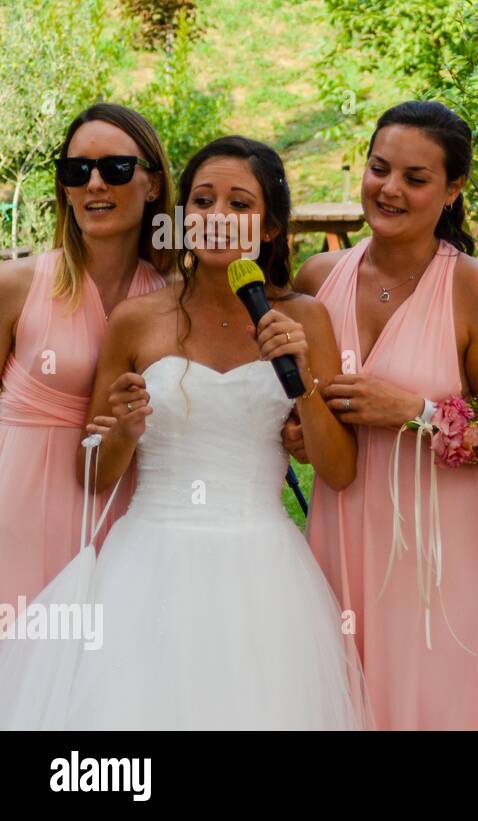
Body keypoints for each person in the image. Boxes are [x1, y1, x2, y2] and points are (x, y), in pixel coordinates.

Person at [0, 136, 367, 729]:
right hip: (147, 559)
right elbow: (91, 476)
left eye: (240, 205)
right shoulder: (138, 320)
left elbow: (340, 470)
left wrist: (302, 385)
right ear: (181, 218)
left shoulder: (304, 317)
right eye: (203, 200)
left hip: (263, 568)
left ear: (270, 227)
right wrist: (121, 430)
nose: (217, 218)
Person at [289, 101, 478, 730]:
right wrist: (297, 430)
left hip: (439, 552)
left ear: (453, 189)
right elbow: (294, 406)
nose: (389, 189)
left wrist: (416, 411)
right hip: (339, 533)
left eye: (415, 179)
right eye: (379, 169)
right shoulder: (316, 279)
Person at [0, 104, 169, 615]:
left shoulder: (173, 298)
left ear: (154, 184)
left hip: (127, 522)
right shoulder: (16, 287)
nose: (94, 184)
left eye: (114, 169)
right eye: (77, 171)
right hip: (18, 517)